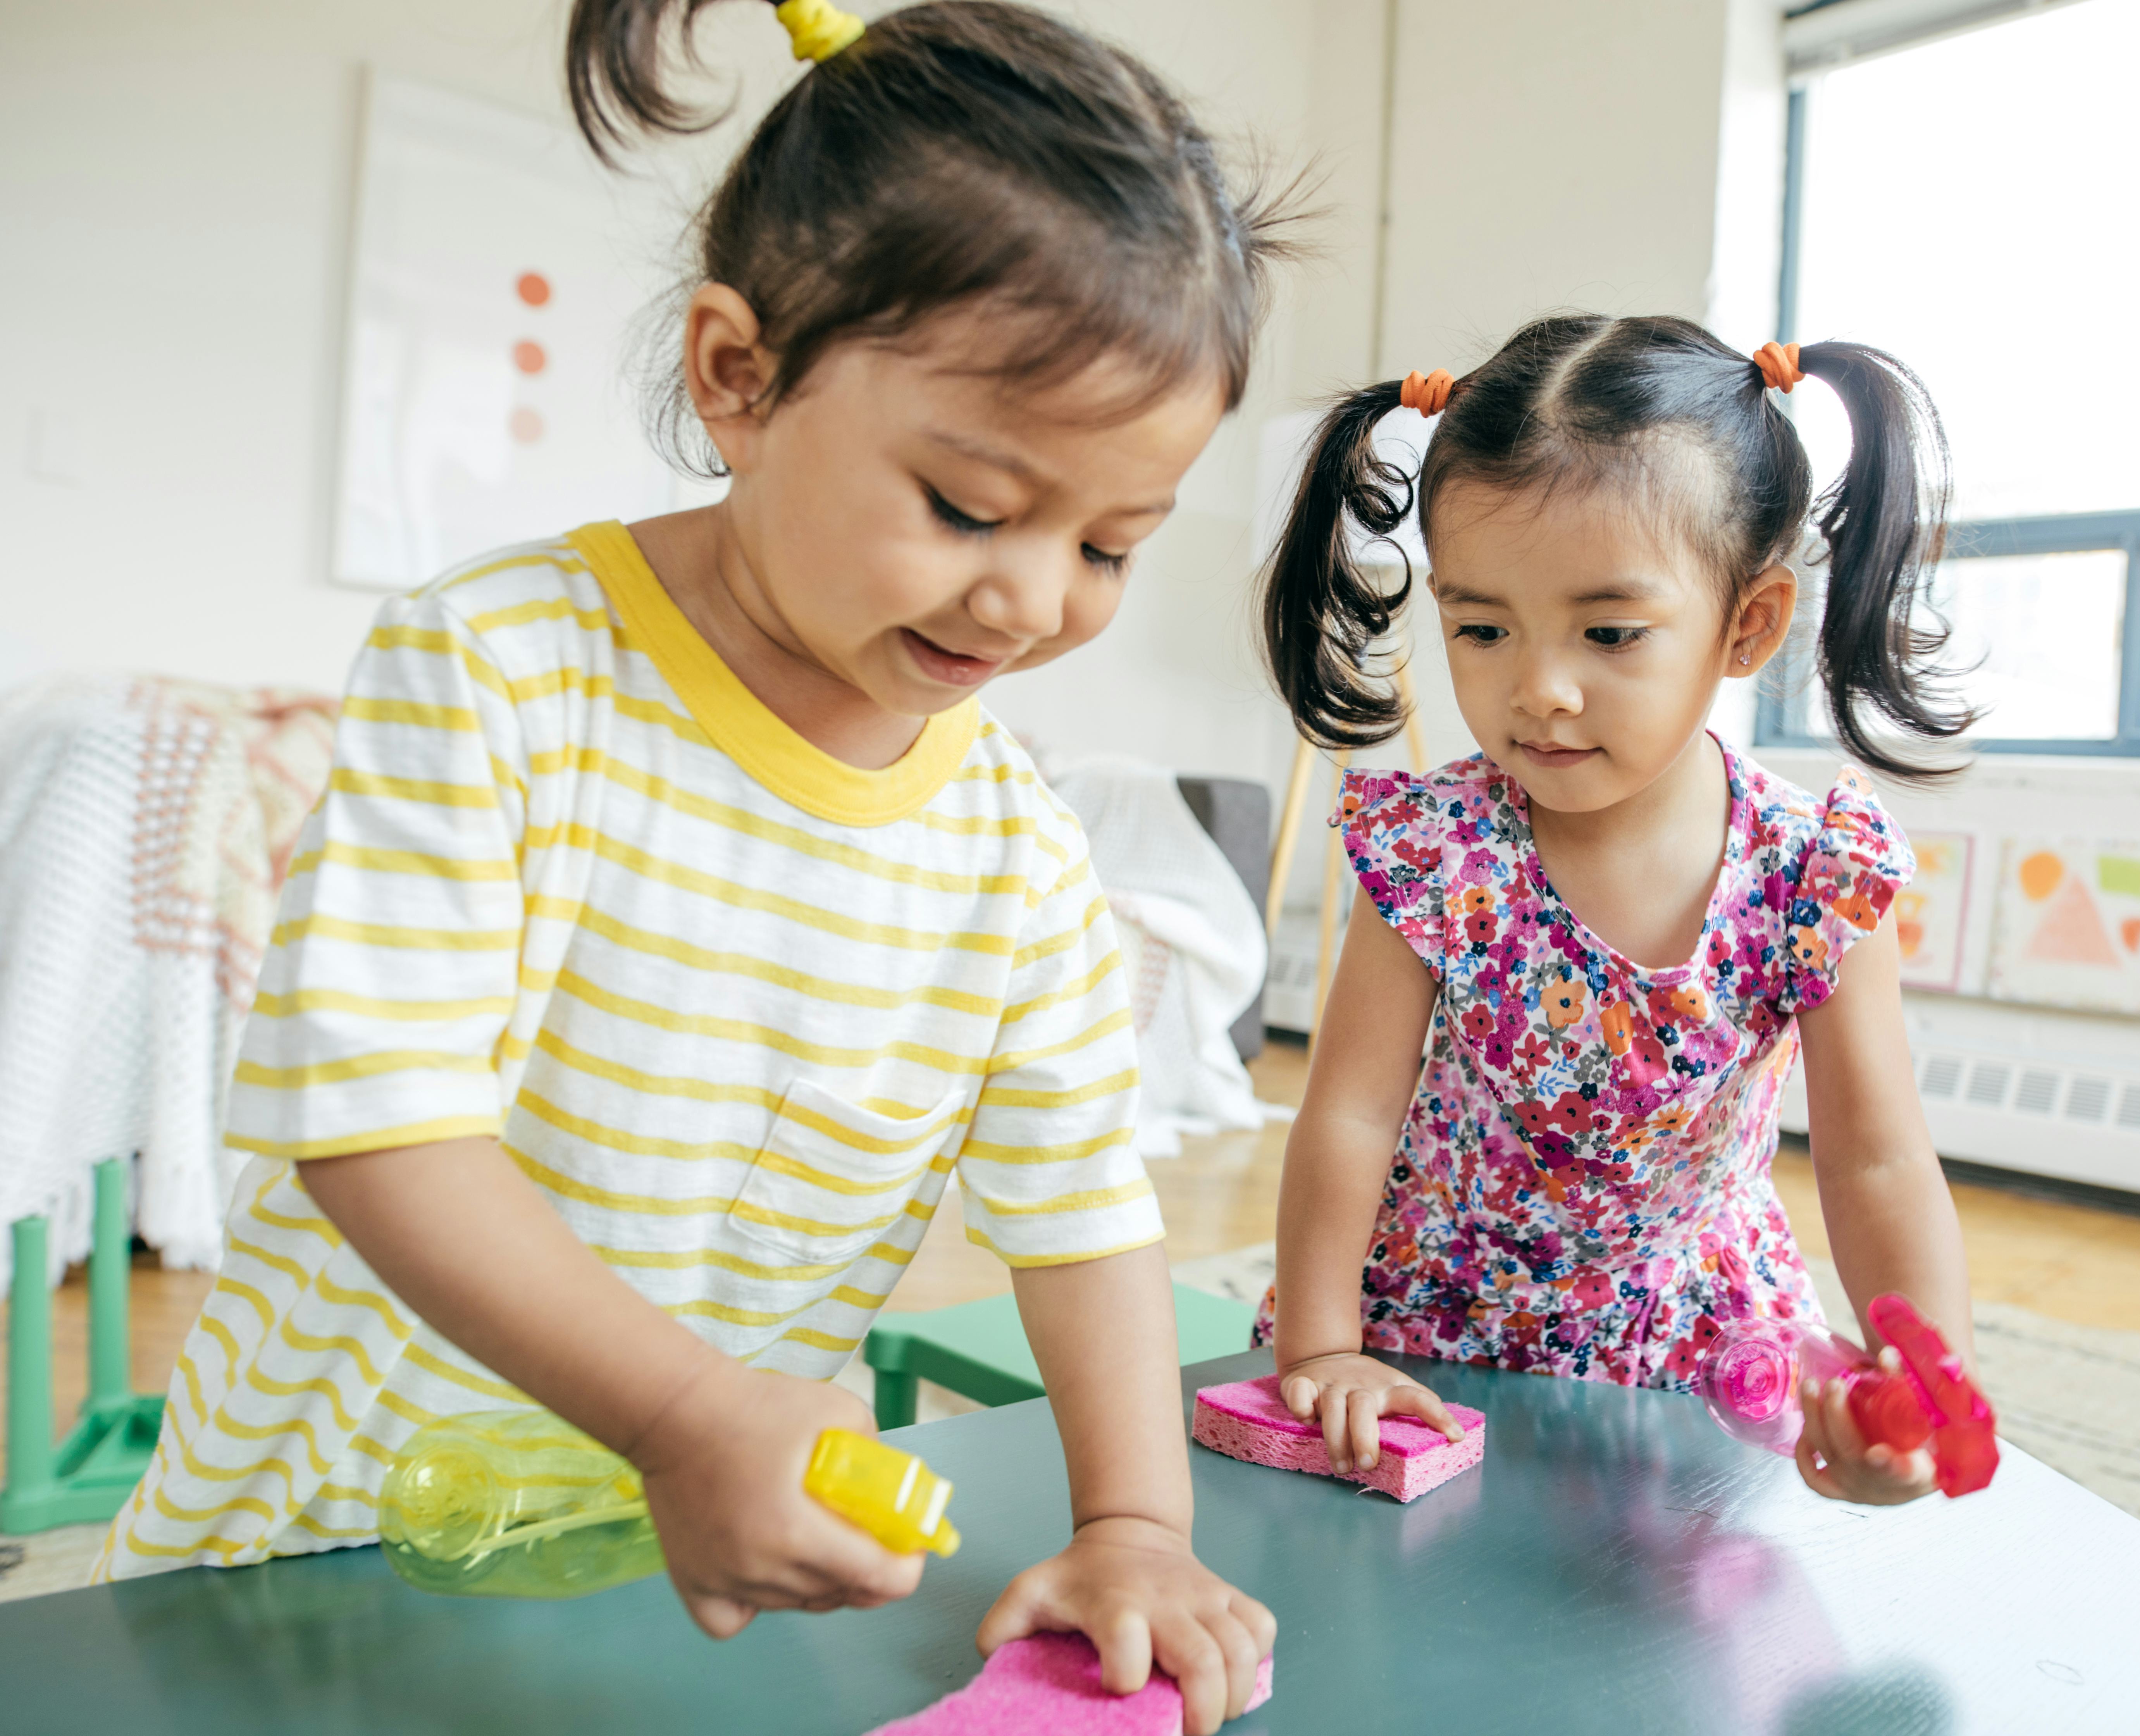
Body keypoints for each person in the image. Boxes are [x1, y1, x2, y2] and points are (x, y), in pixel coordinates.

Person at [103, 4, 1290, 1727]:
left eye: (1110, 544)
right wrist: (681, 1412)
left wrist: (1132, 1526)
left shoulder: (1015, 851)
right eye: (969, 508)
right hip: (314, 1552)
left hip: (672, 1580)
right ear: (739, 376)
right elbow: (379, 1124)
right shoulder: (500, 670)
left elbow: (1085, 1217)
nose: (1034, 601)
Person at [1254, 316, 1982, 1507]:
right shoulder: (1435, 848)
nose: (1539, 688)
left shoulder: (1813, 872)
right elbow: (1348, 1114)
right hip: (1430, 1331)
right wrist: (1325, 1346)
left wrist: (1922, 1394)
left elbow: (1880, 1160)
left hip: (1697, 1355)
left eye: (1609, 633)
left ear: (1748, 624)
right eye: (1481, 628)